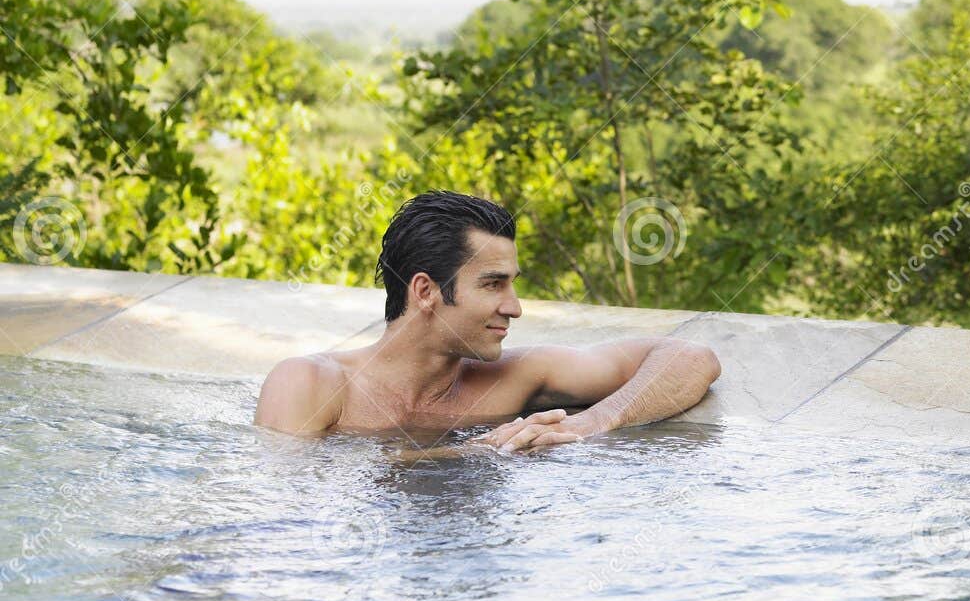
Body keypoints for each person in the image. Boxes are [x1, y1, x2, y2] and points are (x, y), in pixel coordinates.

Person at [253, 190, 720, 453]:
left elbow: (690, 358)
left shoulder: (515, 378)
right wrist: (471, 455)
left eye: (512, 284)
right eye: (493, 284)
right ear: (425, 291)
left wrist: (589, 425)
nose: (515, 307)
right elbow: (292, 512)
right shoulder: (309, 383)